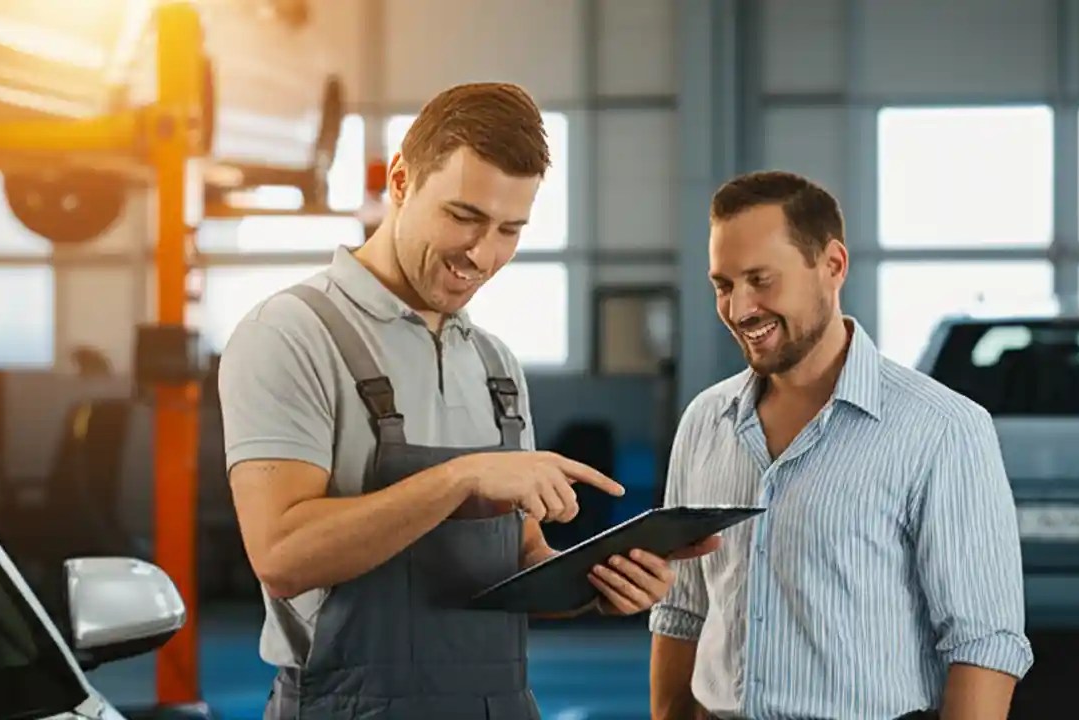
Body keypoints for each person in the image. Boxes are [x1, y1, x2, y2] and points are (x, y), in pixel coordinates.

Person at [217, 82, 718, 720]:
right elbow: (282, 557)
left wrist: (596, 580)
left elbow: (522, 561)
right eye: (463, 217)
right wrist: (460, 477)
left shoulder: (496, 366)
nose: (484, 255)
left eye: (510, 229)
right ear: (401, 181)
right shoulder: (289, 334)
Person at [648, 171, 1033, 719]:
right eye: (724, 285)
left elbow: (982, 646)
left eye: (761, 279)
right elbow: (683, 612)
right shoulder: (706, 422)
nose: (739, 309)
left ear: (832, 265)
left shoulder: (943, 429)